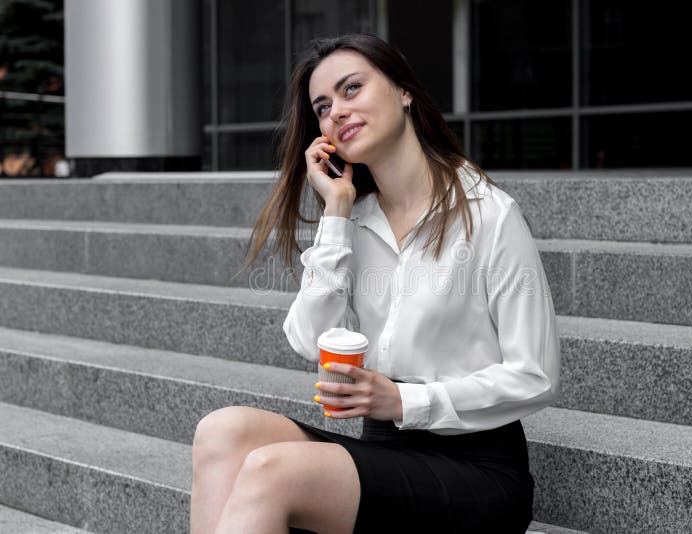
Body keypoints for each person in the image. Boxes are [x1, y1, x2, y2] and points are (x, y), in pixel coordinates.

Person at [191, 33, 560, 534]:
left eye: (351, 89)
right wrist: (336, 214)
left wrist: (405, 401)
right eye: (322, 107)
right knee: (221, 433)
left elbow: (535, 374)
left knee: (271, 473)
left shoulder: (489, 215)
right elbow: (308, 340)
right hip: (382, 453)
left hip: (477, 470)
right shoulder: (354, 221)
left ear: (404, 91)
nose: (336, 112)